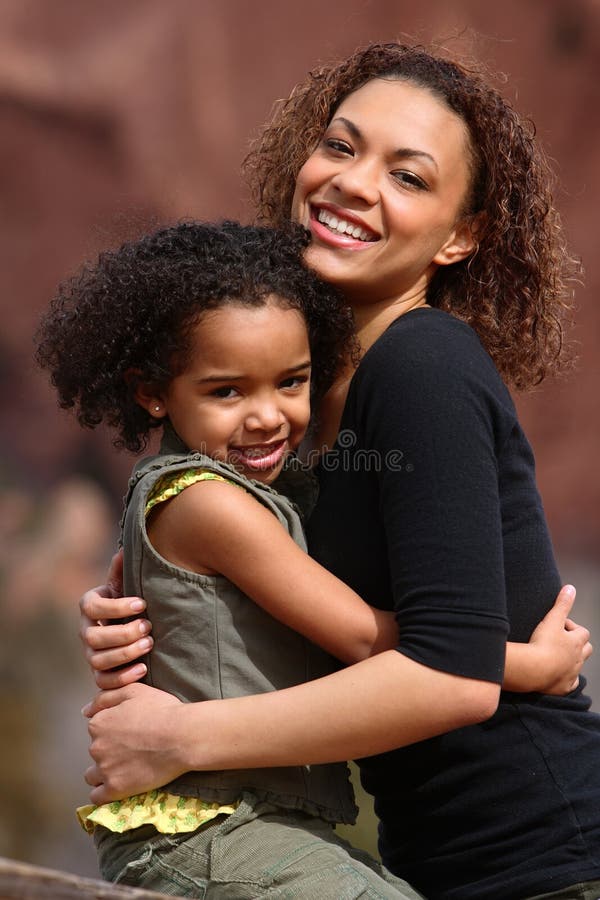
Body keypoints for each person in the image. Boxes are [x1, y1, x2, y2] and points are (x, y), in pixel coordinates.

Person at [76, 43, 600, 900]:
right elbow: (330, 622)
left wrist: (181, 739)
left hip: (546, 862)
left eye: (410, 177)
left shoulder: (421, 364)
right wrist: (144, 613)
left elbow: (450, 677)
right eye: (343, 147)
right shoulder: (296, 401)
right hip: (443, 866)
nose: (354, 183)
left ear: (461, 237)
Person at [37, 219, 431, 897]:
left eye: (292, 382)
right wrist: (511, 657)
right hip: (206, 834)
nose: (267, 416)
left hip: (257, 828)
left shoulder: (241, 492)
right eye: (227, 391)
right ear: (151, 391)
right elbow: (363, 639)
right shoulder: (208, 504)